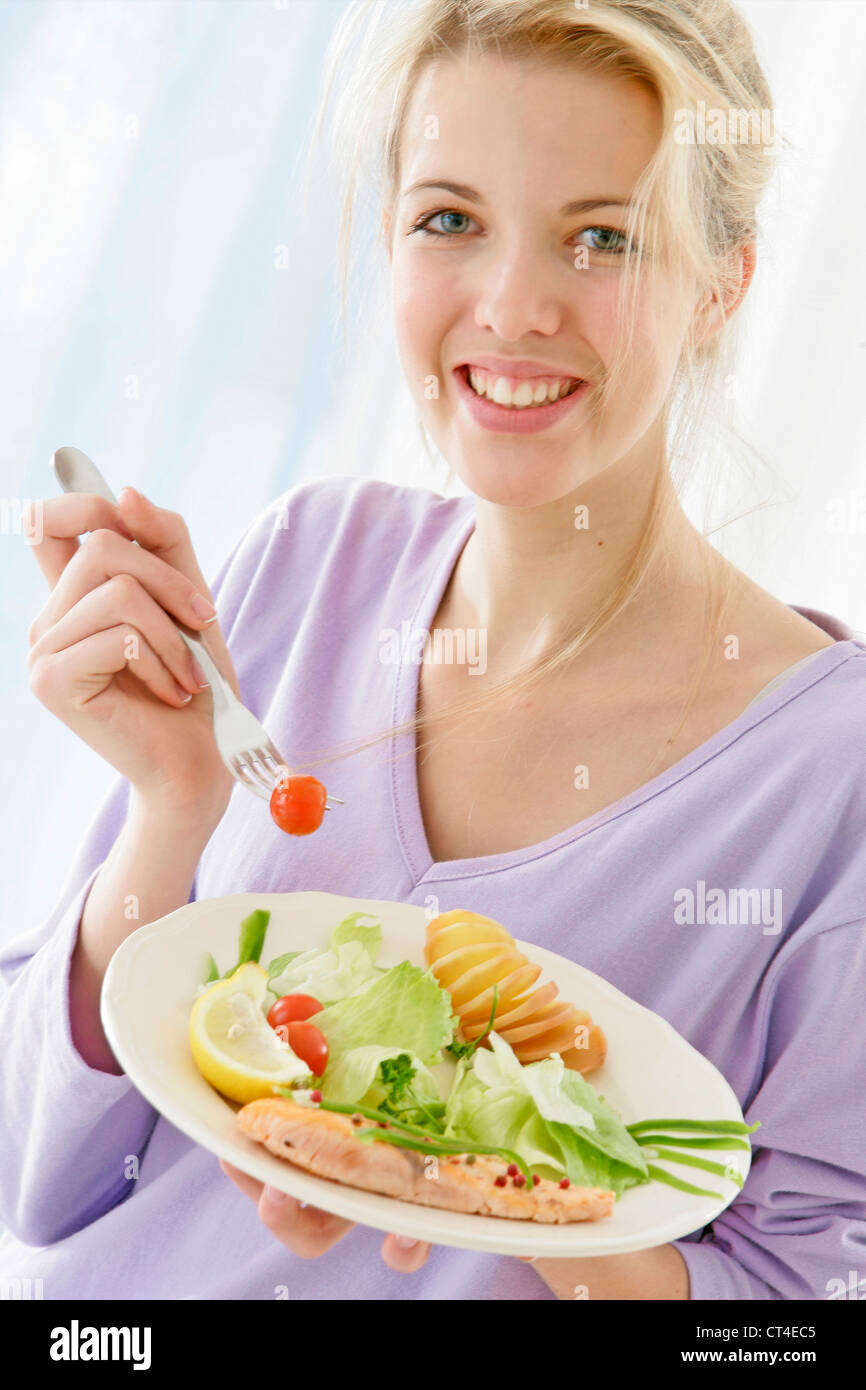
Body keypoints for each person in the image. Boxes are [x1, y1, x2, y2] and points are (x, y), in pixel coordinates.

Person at [2, 0, 864, 1302]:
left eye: (602, 238)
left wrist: (488, 1181)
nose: (512, 307)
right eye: (449, 220)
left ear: (720, 281)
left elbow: (789, 1311)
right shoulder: (308, 561)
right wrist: (170, 808)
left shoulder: (828, 772)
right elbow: (41, 1170)